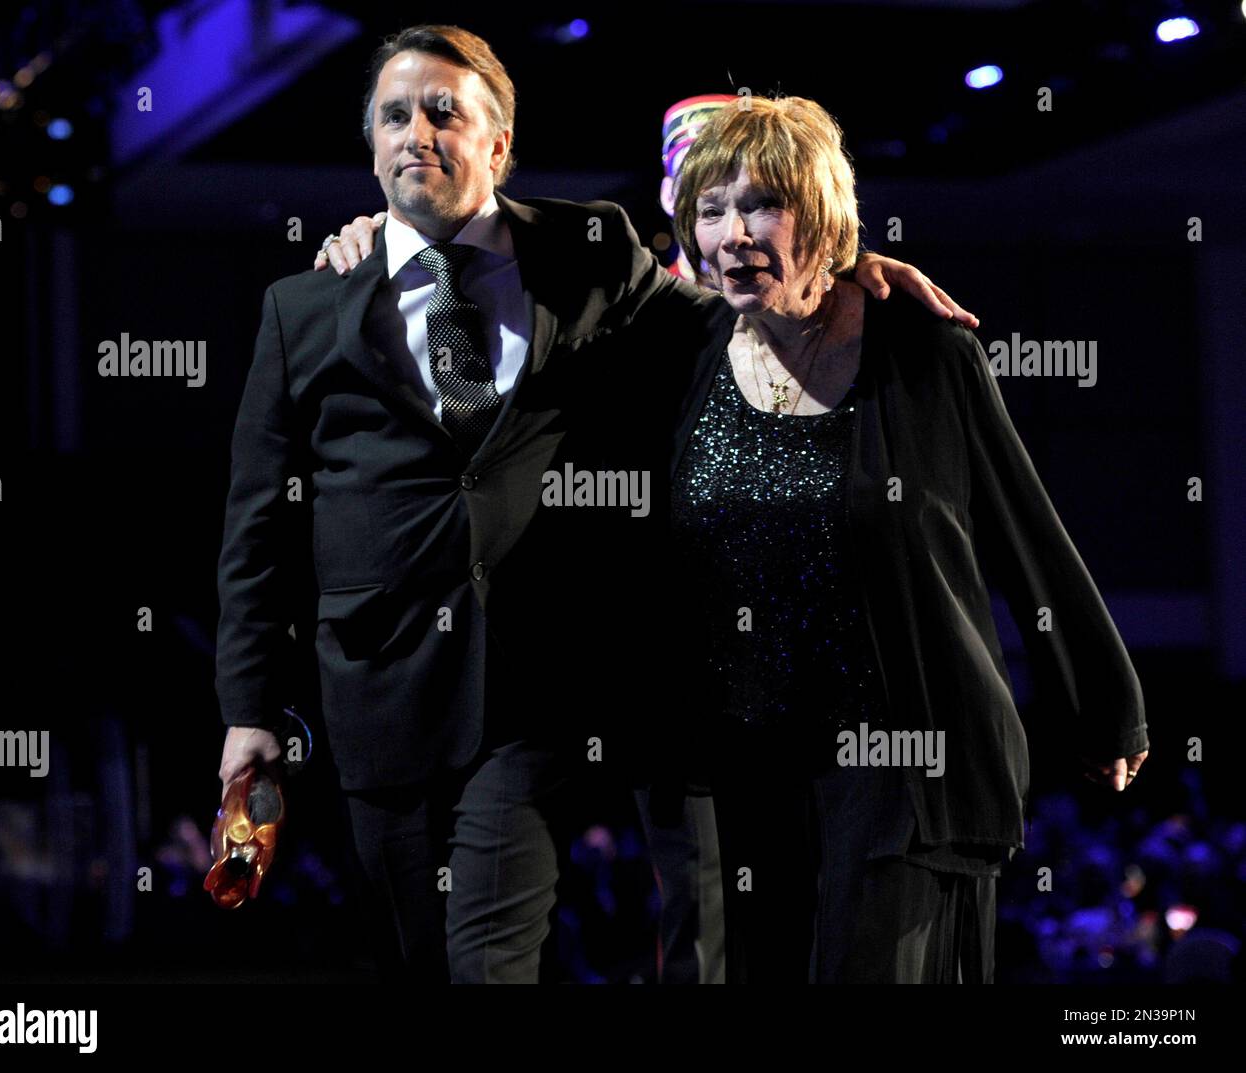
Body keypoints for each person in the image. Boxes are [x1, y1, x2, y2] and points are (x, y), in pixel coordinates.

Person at [223, 23, 969, 984]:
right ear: (371, 143)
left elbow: (733, 321)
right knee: (414, 961)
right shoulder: (303, 308)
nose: (417, 133)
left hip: (533, 695)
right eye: (395, 116)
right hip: (377, 694)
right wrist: (249, 708)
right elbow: (258, 530)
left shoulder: (590, 250)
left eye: (444, 112)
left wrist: (841, 276)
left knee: (491, 963)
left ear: (498, 143)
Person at [661, 94, 1149, 982]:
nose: (733, 234)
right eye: (712, 209)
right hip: (752, 766)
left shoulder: (923, 351)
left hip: (906, 753)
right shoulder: (686, 356)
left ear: (823, 218)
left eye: (762, 205)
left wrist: (1101, 697)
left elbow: (1022, 525)